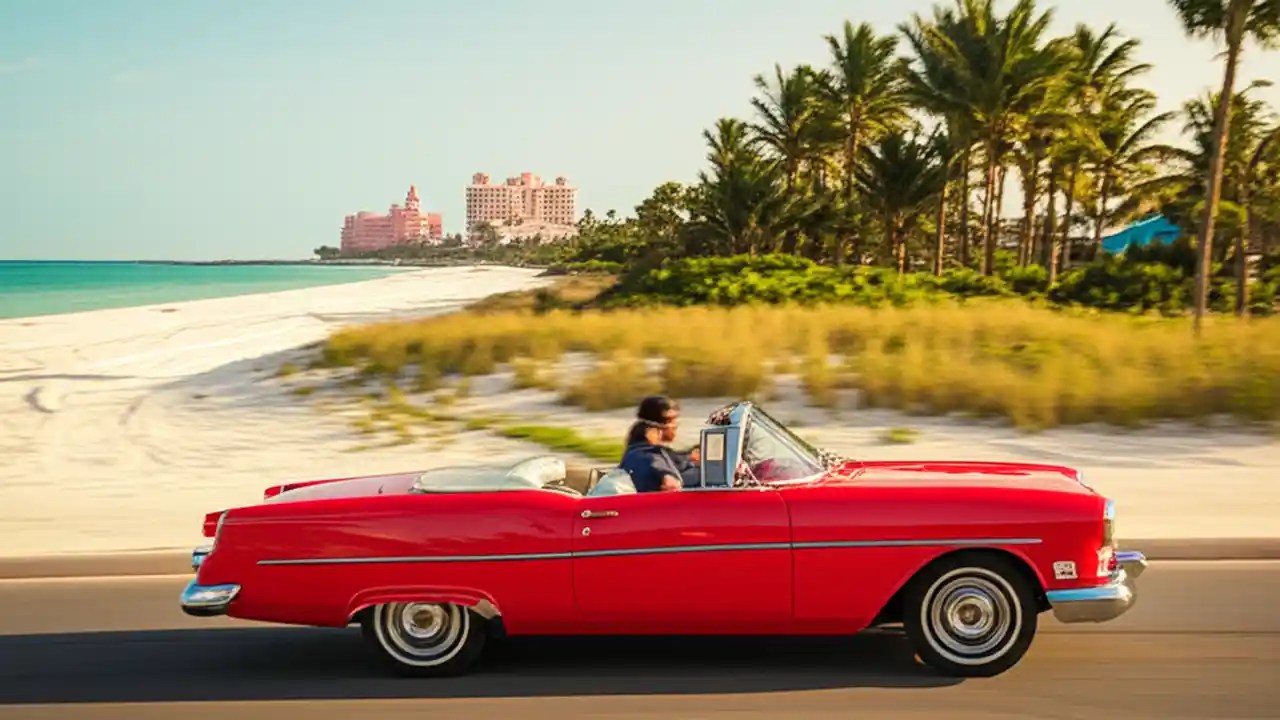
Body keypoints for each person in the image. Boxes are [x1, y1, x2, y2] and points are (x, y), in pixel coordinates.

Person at [632, 395, 700, 486]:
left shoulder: (637, 448)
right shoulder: (647, 454)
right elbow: (654, 461)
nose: (676, 425)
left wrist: (689, 458)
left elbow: (670, 458)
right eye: (673, 420)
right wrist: (667, 476)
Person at [618, 419, 685, 492]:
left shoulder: (629, 455)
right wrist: (667, 475)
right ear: (648, 434)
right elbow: (655, 462)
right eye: (657, 432)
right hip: (656, 496)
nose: (660, 436)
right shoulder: (650, 453)